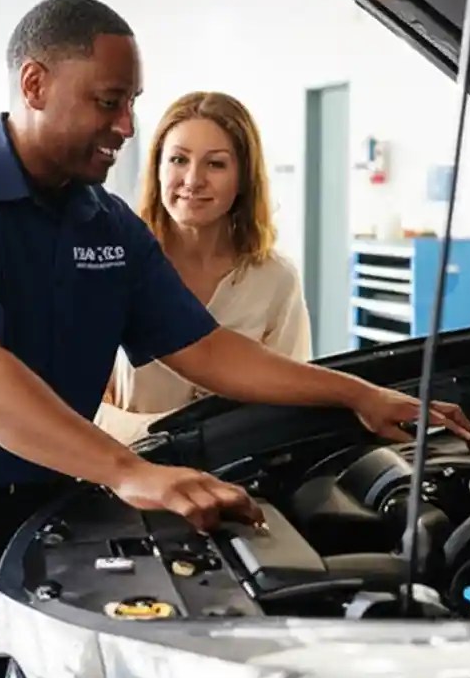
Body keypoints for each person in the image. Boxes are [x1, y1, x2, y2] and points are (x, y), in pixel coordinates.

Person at [0, 0, 470, 678]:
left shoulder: (106, 224)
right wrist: (125, 470)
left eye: (131, 102)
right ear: (35, 84)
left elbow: (205, 348)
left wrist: (358, 393)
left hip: (41, 502)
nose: (126, 125)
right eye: (109, 102)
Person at [95, 91, 311, 444]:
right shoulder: (116, 264)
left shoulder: (277, 281)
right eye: (179, 159)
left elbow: (290, 400)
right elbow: (81, 404)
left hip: (238, 473)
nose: (193, 180)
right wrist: (166, 436)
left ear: (243, 176)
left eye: (216, 164)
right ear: (158, 169)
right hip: (131, 469)